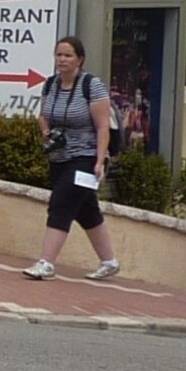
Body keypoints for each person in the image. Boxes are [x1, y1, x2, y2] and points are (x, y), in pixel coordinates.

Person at [24, 36, 122, 281]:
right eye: (59, 55)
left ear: (80, 59)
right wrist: (47, 131)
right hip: (59, 157)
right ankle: (109, 261)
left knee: (61, 204)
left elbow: (102, 127)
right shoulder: (51, 85)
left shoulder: (92, 86)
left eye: (68, 55)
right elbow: (43, 115)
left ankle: (46, 263)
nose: (62, 60)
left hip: (85, 158)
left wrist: (100, 161)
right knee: (86, 210)